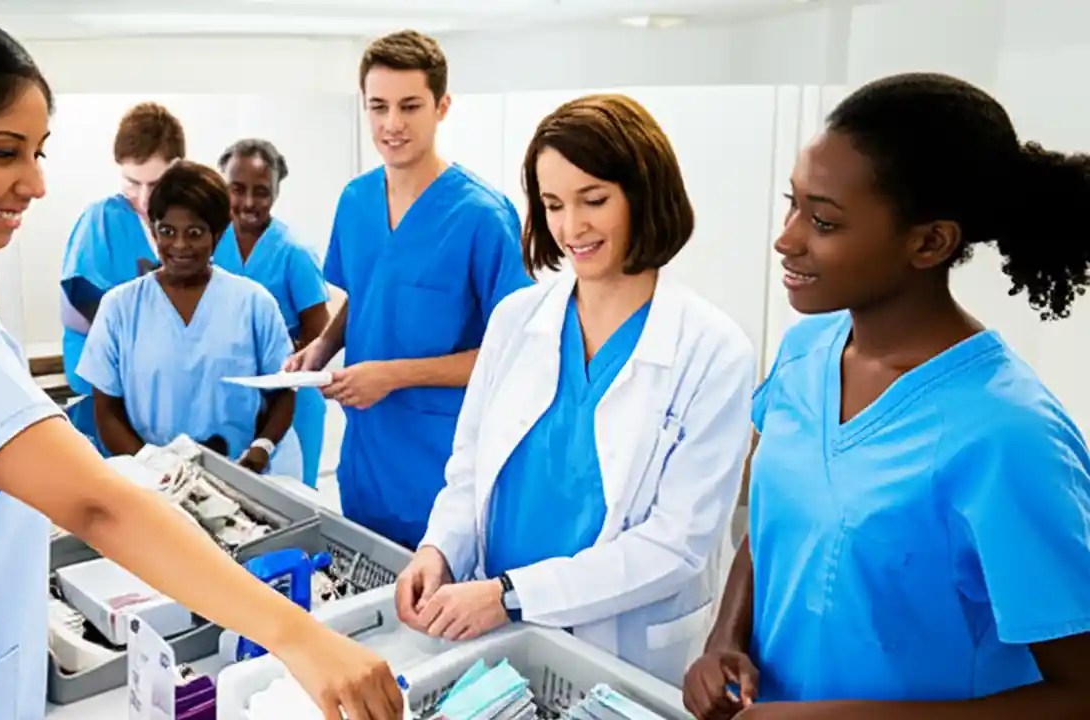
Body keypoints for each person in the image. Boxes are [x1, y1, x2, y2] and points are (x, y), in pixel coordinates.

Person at [0, 9, 400, 720]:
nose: (35, 182)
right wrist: (302, 640)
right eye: (3, 153)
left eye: (39, 151)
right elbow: (97, 503)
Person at [682, 73, 1090, 720]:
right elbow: (774, 527)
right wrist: (724, 640)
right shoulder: (805, 351)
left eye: (822, 221)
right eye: (792, 204)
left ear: (929, 242)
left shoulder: (1009, 435)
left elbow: (1079, 693)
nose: (787, 238)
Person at [394, 94, 756, 685]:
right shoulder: (516, 320)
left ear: (644, 193)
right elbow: (469, 474)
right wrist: (438, 550)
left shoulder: (713, 351)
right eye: (553, 204)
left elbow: (676, 546)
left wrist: (510, 594)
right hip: (497, 621)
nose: (571, 227)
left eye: (594, 200)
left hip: (622, 646)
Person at [285, 30, 532, 549]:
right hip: (367, 459)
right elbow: (368, 294)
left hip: (440, 468)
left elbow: (513, 353)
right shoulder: (356, 201)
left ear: (442, 107)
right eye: (378, 107)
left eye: (409, 106)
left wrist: (393, 376)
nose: (391, 124)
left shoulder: (481, 217)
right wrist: (322, 347)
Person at [78, 160, 302, 476]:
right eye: (167, 231)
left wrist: (260, 449)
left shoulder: (254, 303)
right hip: (156, 480)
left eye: (194, 232)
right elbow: (107, 411)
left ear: (218, 233)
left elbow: (282, 393)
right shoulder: (120, 308)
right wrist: (153, 466)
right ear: (153, 229)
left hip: (241, 472)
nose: (180, 245)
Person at [58, 102, 239, 450]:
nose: (142, 198)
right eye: (131, 182)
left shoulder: (207, 224)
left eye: (155, 184)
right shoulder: (102, 219)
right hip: (112, 392)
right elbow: (80, 299)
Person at [217, 139, 330, 486]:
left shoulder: (294, 253)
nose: (249, 203)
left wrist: (280, 357)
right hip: (234, 402)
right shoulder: (209, 243)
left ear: (277, 192)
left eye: (261, 192)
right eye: (238, 189)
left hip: (293, 406)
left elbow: (320, 337)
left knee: (292, 503)